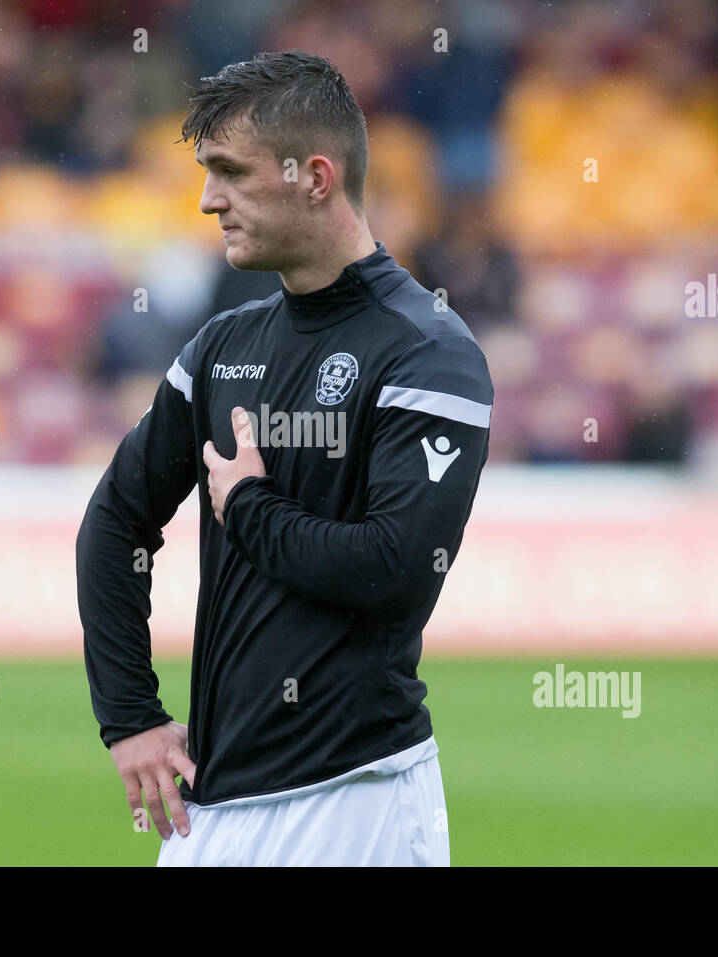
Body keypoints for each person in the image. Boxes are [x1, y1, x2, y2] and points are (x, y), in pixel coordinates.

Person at [75, 50, 493, 866]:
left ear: (316, 176)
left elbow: (396, 566)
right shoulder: (222, 347)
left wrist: (252, 508)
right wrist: (128, 716)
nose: (207, 200)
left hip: (357, 800)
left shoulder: (428, 353)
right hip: (211, 812)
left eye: (229, 172)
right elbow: (114, 519)